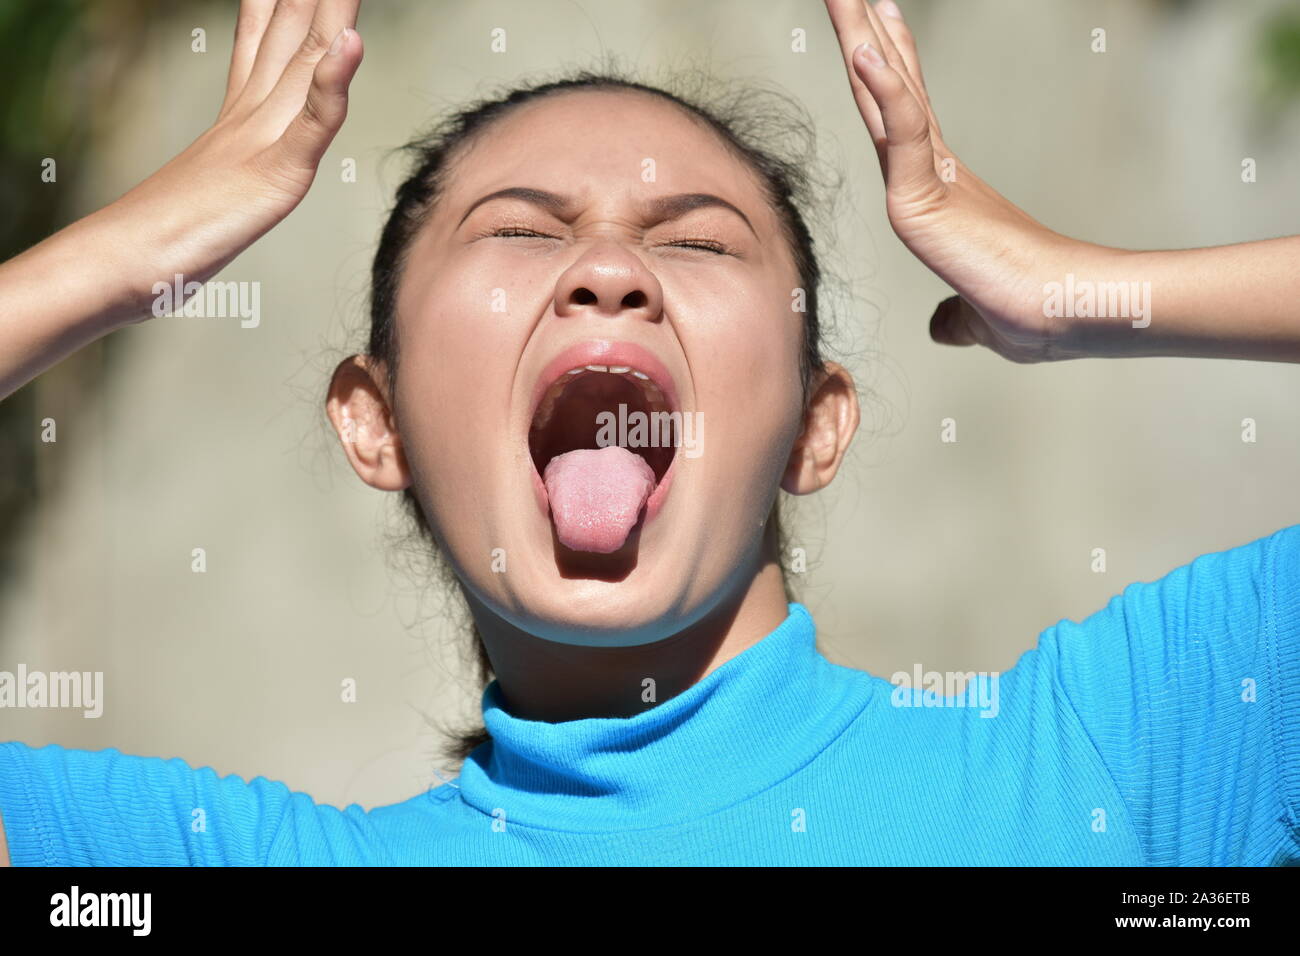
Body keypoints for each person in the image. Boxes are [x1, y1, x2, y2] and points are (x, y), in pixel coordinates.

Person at [0, 0, 1297, 865]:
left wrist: (1094, 290)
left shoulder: (1125, 751)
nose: (610, 271)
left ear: (816, 426)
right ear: (374, 422)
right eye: (518, 230)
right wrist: (128, 256)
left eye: (695, 241)